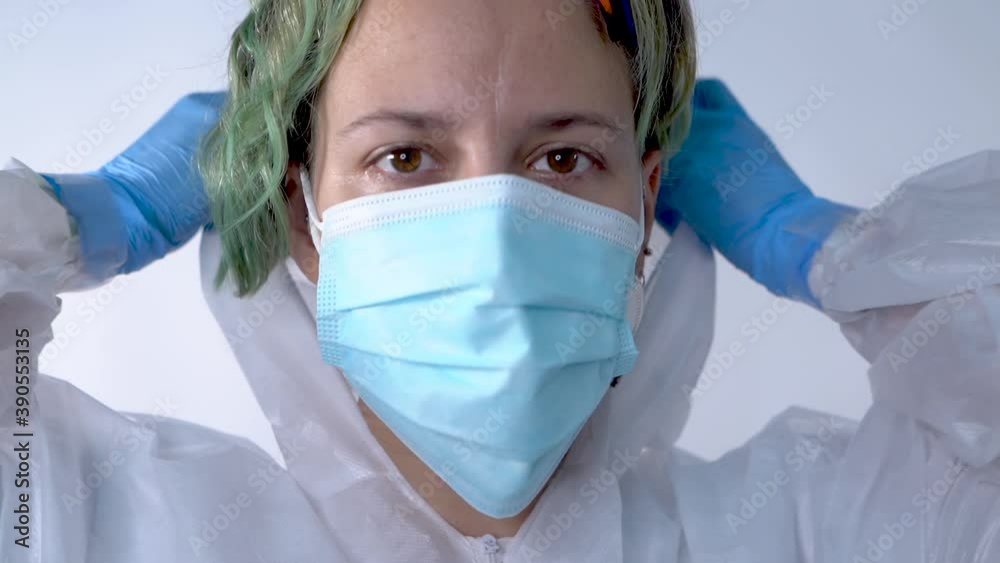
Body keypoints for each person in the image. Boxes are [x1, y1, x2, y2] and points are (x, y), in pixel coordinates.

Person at [2, 0, 998, 561]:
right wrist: (71, 222)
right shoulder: (108, 524)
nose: (493, 228)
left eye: (562, 158)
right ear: (304, 221)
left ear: (645, 205)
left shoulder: (818, 530)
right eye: (405, 157)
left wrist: (834, 251)